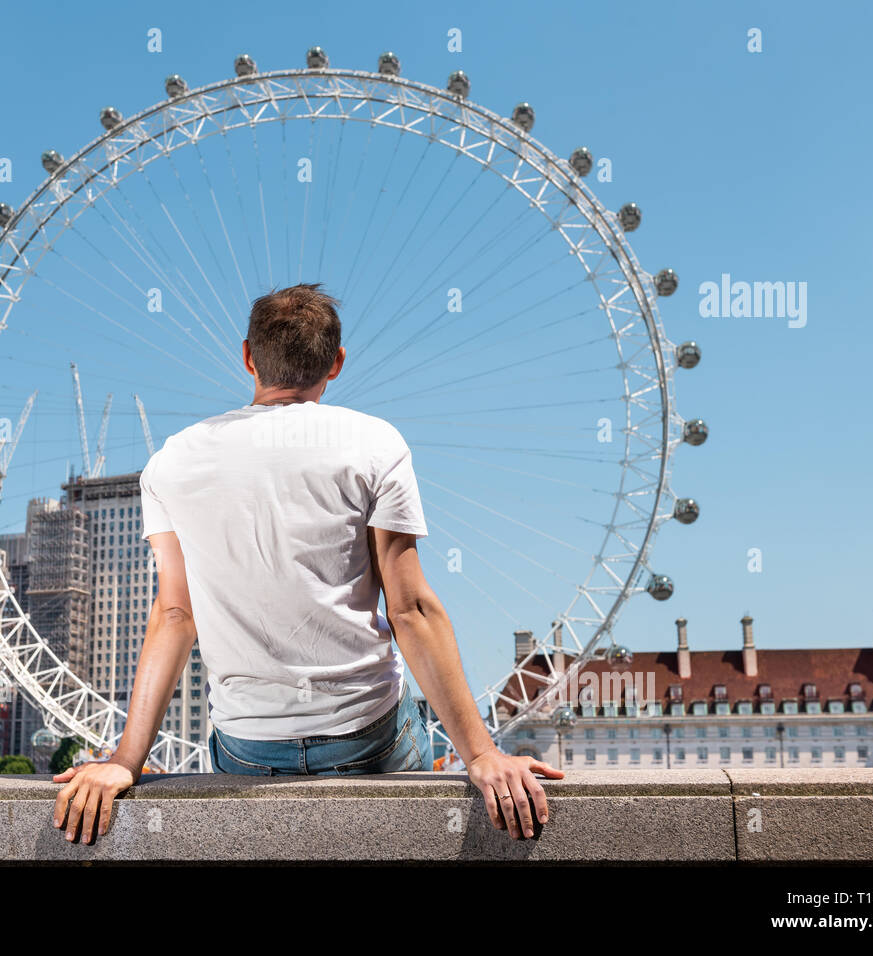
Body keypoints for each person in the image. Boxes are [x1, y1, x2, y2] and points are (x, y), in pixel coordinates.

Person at [53, 283, 561, 844]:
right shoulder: (374, 443)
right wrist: (483, 753)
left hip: (247, 746)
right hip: (367, 734)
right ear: (336, 363)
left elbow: (175, 615)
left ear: (248, 355)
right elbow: (411, 609)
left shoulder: (171, 460)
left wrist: (126, 760)